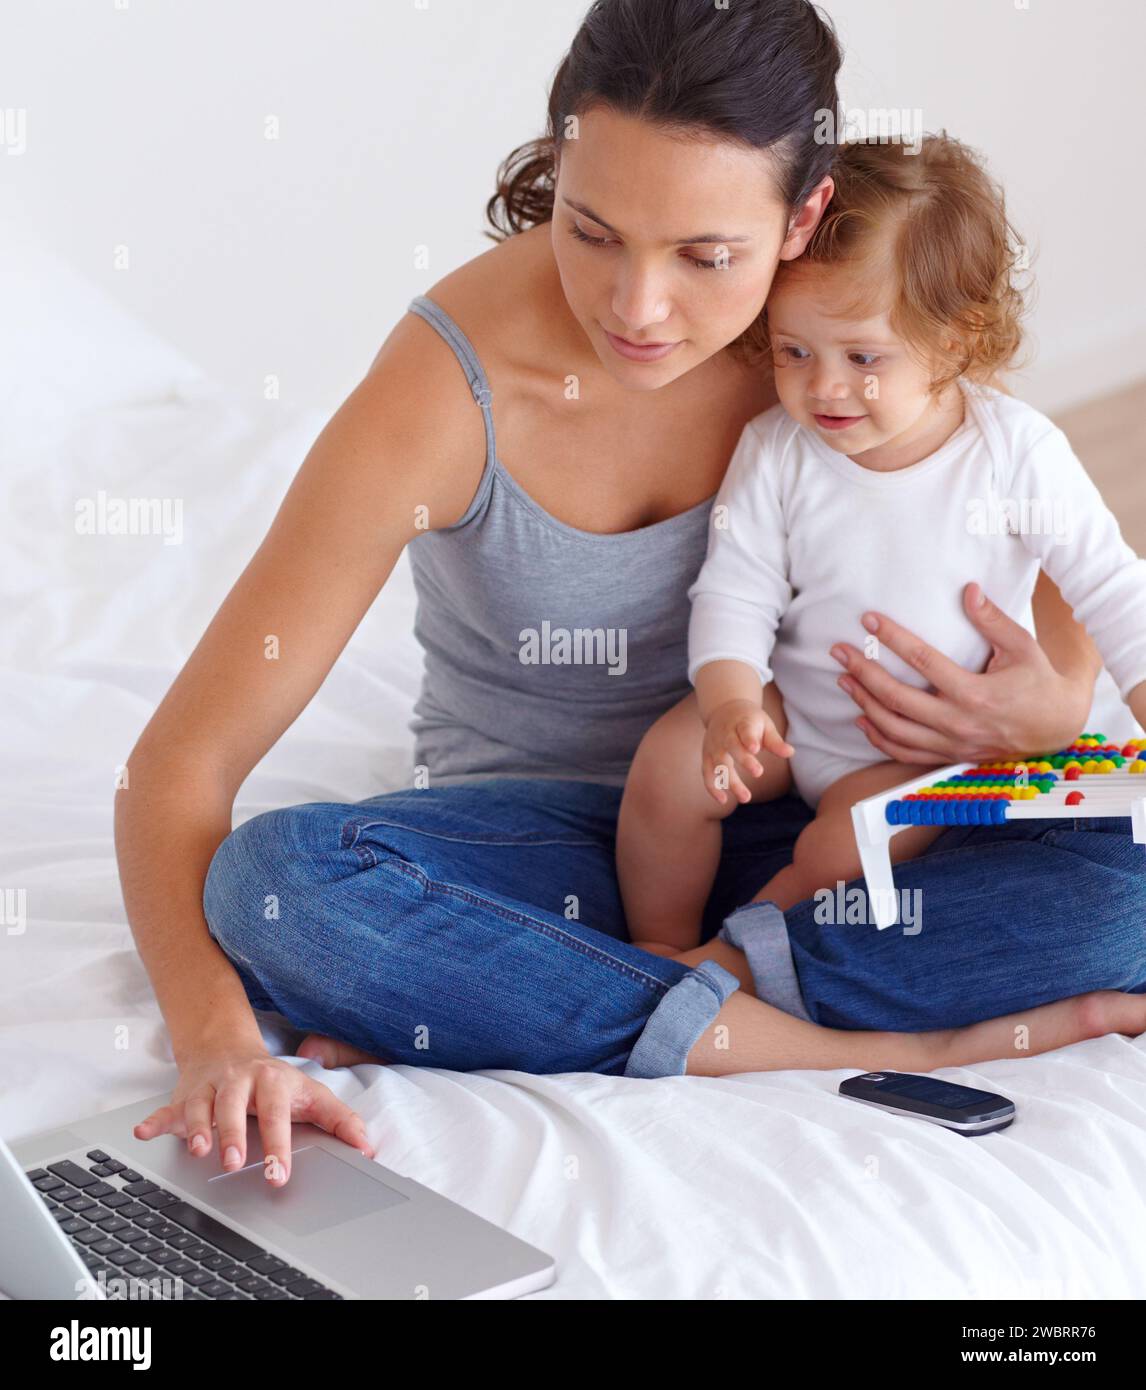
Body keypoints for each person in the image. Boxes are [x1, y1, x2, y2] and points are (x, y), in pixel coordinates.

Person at [114, 0, 1146, 1186]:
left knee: (1130, 887)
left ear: (804, 219)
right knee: (280, 886)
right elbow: (177, 770)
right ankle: (854, 1038)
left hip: (841, 807)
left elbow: (1038, 520)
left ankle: (574, 1002)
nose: (637, 308)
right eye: (591, 228)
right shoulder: (450, 389)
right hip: (552, 849)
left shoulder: (827, 342)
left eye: (707, 257)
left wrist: (1050, 709)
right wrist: (213, 1044)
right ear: (555, 168)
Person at [616, 134, 1146, 951]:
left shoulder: (1015, 452)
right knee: (667, 765)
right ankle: (656, 944)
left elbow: (1112, 589)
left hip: (926, 750)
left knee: (836, 846)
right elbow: (734, 592)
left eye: (863, 357)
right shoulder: (776, 449)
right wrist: (729, 705)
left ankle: (730, 960)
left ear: (957, 340)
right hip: (793, 719)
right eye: (794, 351)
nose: (824, 386)